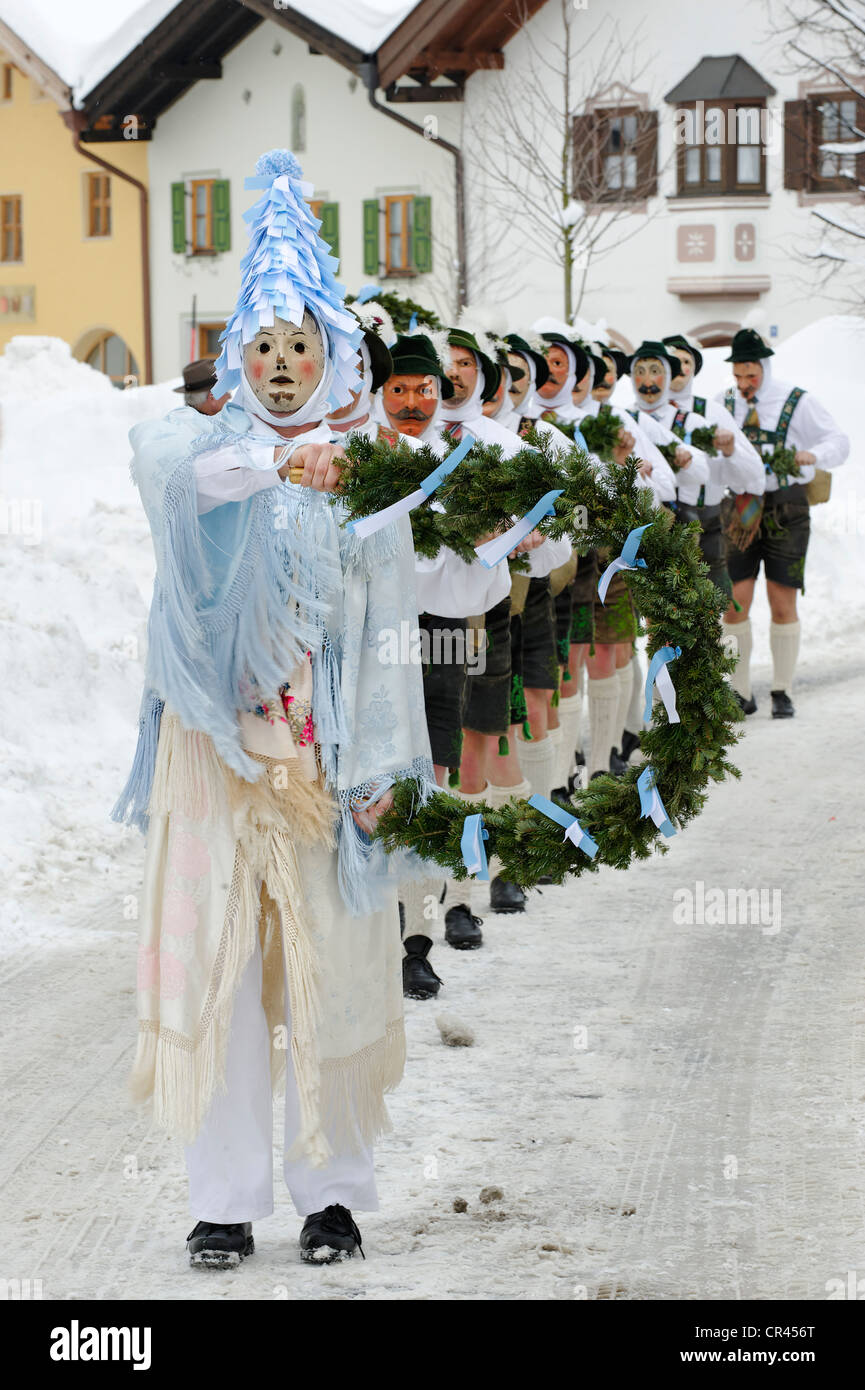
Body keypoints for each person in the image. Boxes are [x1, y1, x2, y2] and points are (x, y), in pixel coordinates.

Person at [114, 150, 436, 1270]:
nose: (283, 364)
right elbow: (167, 470)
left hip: (321, 766)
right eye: (263, 346)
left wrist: (385, 765)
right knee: (221, 980)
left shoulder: (364, 487)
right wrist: (268, 463)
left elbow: (391, 644)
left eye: (301, 346)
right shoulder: (200, 451)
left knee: (327, 976)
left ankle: (332, 1192)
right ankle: (221, 1197)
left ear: (334, 356)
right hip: (212, 757)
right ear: (237, 358)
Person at [717, 328, 849, 718]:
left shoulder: (797, 401)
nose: (743, 384)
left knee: (781, 599)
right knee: (734, 602)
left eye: (750, 376)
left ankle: (782, 690)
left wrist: (813, 454)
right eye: (738, 376)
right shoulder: (722, 405)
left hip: (787, 506)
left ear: (764, 369)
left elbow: (839, 442)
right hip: (739, 505)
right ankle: (740, 691)